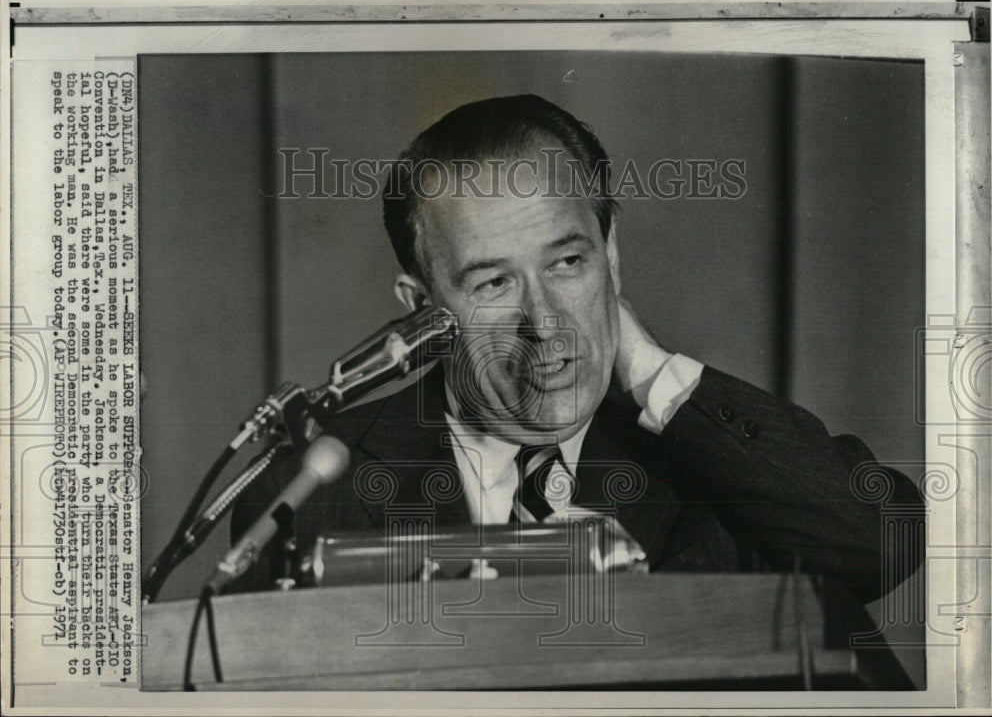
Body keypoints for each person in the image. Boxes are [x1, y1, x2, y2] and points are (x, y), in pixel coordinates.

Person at [230, 94, 923, 604]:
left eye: (568, 264)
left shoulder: (716, 466)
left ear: (611, 256)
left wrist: (653, 375)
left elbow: (881, 539)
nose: (546, 322)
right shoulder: (314, 489)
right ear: (421, 312)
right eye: (494, 282)